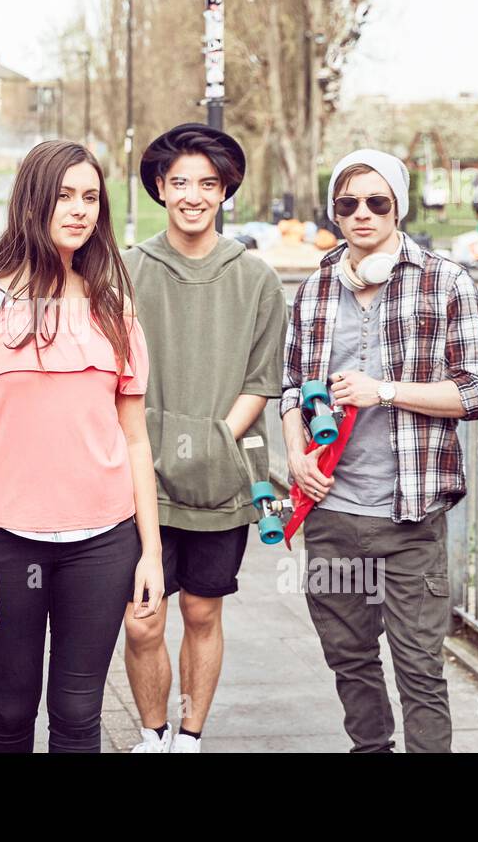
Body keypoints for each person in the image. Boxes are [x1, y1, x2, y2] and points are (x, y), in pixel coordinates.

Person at [0, 139, 165, 753]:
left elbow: (136, 439)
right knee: (10, 711)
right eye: (63, 196)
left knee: (79, 715)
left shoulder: (112, 307)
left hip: (104, 542)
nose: (80, 210)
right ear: (32, 201)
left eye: (90, 197)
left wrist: (151, 553)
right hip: (5, 541)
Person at [281, 148, 478, 753]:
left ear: (398, 207)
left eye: (377, 202)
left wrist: (385, 391)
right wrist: (296, 455)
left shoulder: (445, 281)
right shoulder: (316, 288)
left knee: (420, 669)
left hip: (410, 518)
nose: (362, 214)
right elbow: (292, 387)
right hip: (332, 514)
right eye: (348, 203)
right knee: (349, 661)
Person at [120, 124, 287, 753]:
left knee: (201, 612)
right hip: (141, 479)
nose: (193, 195)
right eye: (181, 182)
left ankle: (188, 736)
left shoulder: (256, 278)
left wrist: (214, 439)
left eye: (208, 184)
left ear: (224, 192)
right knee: (143, 617)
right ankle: (151, 733)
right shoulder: (127, 270)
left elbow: (261, 381)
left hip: (221, 477)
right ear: (160, 188)